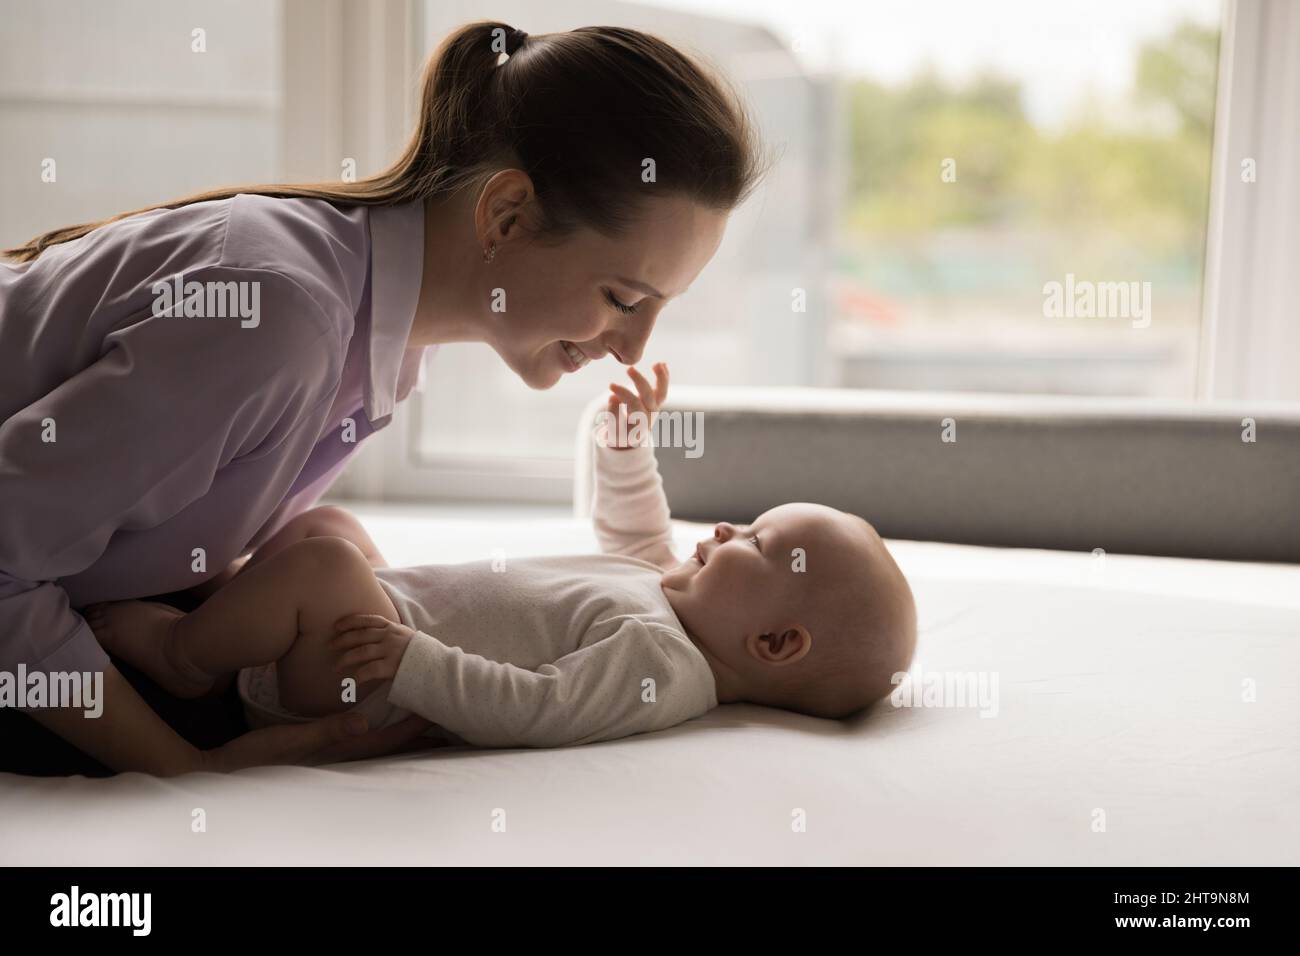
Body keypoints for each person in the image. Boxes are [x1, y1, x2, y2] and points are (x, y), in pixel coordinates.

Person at [0, 21, 767, 774]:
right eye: (624, 299)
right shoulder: (278, 320)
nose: (634, 350)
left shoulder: (379, 339)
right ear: (506, 214)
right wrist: (191, 767)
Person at [87, 363, 918, 751]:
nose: (729, 532)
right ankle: (242, 606)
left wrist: (417, 662)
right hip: (383, 623)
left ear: (774, 643)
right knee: (333, 531)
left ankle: (183, 656)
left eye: (759, 543)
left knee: (327, 573)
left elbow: (536, 708)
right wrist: (626, 451)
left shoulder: (661, 667)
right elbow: (633, 535)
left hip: (364, 673)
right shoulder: (672, 596)